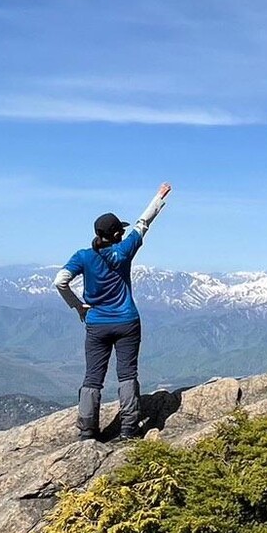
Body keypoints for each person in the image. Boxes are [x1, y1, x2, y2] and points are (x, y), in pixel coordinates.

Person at [54, 183, 172, 440]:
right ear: (118, 233)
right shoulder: (124, 250)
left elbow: (60, 281)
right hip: (127, 321)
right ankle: (129, 428)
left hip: (97, 323)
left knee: (93, 378)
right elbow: (144, 223)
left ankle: (87, 431)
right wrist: (159, 197)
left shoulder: (84, 256)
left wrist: (78, 306)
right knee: (127, 374)